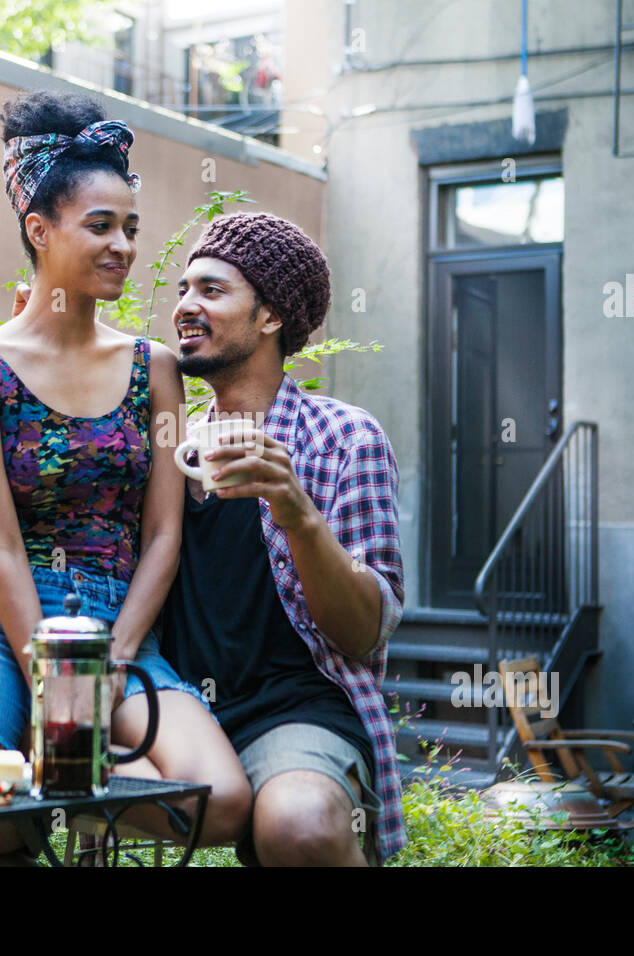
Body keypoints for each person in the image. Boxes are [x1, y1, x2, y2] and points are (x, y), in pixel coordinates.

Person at [0, 91, 250, 866]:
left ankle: (55, 801)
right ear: (39, 231)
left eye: (130, 229)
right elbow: (3, 549)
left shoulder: (153, 368)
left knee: (220, 802)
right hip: (3, 624)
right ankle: (33, 802)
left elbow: (162, 536)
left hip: (118, 629)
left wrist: (106, 668)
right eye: (100, 226)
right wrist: (52, 689)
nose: (123, 245)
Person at [155, 211, 407, 865]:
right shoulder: (163, 444)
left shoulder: (345, 438)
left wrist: (296, 511)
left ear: (270, 317)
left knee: (300, 824)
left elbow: (364, 631)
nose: (185, 306)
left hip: (296, 710)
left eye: (211, 290)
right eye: (182, 289)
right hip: (174, 710)